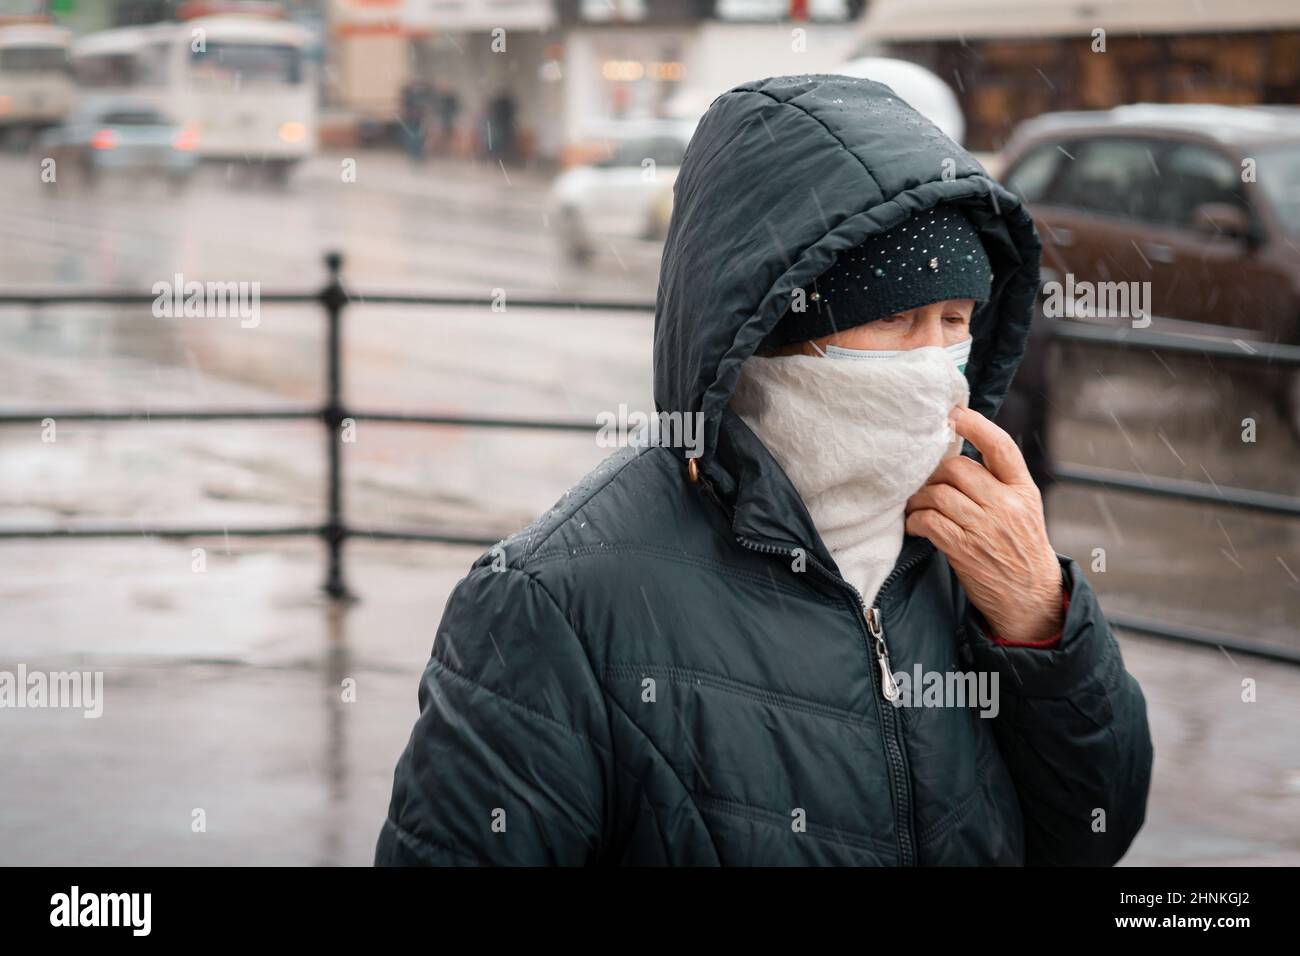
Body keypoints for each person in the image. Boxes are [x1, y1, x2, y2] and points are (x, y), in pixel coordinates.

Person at [375, 74, 1153, 866]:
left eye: (954, 321)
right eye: (893, 318)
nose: (932, 363)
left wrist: (1041, 624)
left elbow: (1096, 827)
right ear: (770, 330)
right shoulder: (553, 604)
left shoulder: (972, 545)